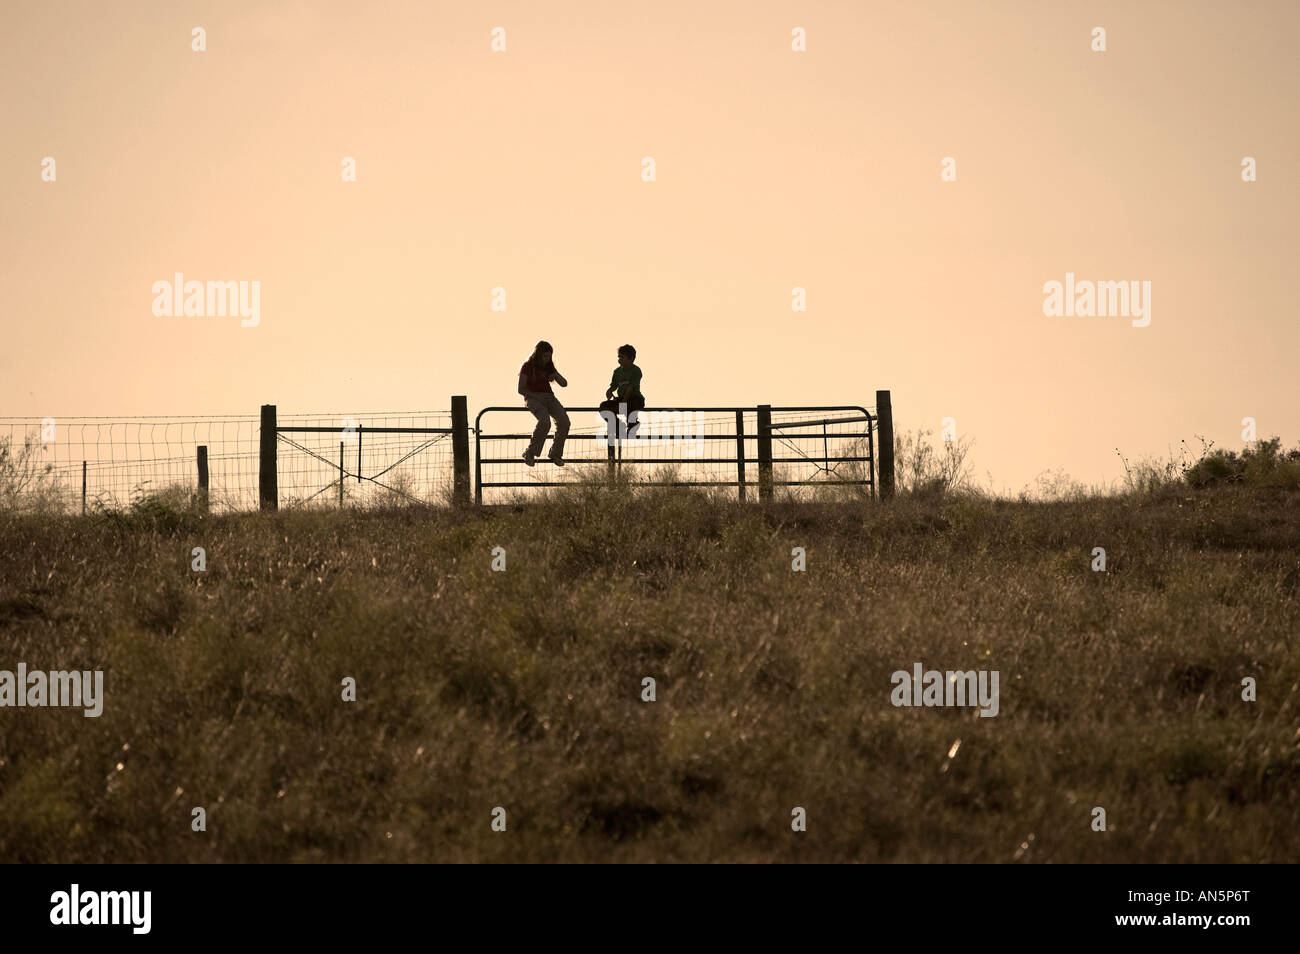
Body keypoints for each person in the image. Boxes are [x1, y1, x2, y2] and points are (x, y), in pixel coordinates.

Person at [518, 340, 569, 466]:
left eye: (549, 356)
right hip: (533, 398)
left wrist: (555, 375)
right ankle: (530, 452)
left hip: (549, 398)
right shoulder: (527, 366)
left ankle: (555, 453)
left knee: (564, 422)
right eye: (545, 356)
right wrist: (536, 396)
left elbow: (564, 383)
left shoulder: (549, 367)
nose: (547, 358)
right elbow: (521, 389)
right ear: (538, 354)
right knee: (545, 422)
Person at [599, 344, 644, 444]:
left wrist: (623, 403)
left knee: (632, 406)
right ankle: (618, 425)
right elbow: (614, 385)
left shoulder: (636, 371)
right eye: (619, 357)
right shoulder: (617, 372)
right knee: (603, 407)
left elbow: (630, 389)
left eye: (622, 357)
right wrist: (610, 390)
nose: (619, 359)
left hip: (634, 398)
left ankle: (632, 424)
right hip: (621, 399)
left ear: (631, 358)